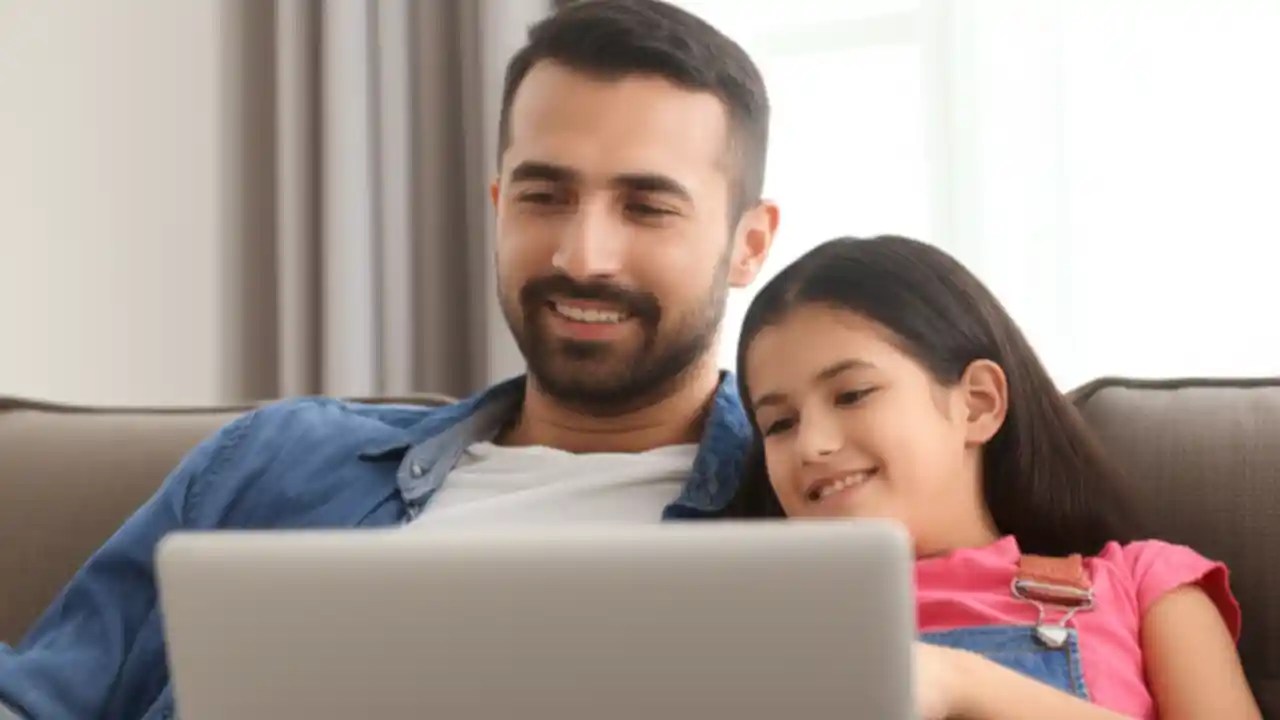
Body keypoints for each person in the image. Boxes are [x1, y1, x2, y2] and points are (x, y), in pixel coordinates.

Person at [0, 1, 779, 717]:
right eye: (545, 197)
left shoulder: (800, 511)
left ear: (748, 244)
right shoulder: (271, 464)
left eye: (646, 208)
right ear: (499, 207)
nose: (582, 256)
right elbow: (39, 698)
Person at [727, 236, 1261, 719]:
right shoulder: (761, 634)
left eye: (852, 394)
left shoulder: (1142, 586)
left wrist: (961, 684)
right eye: (780, 424)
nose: (812, 444)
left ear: (978, 404)